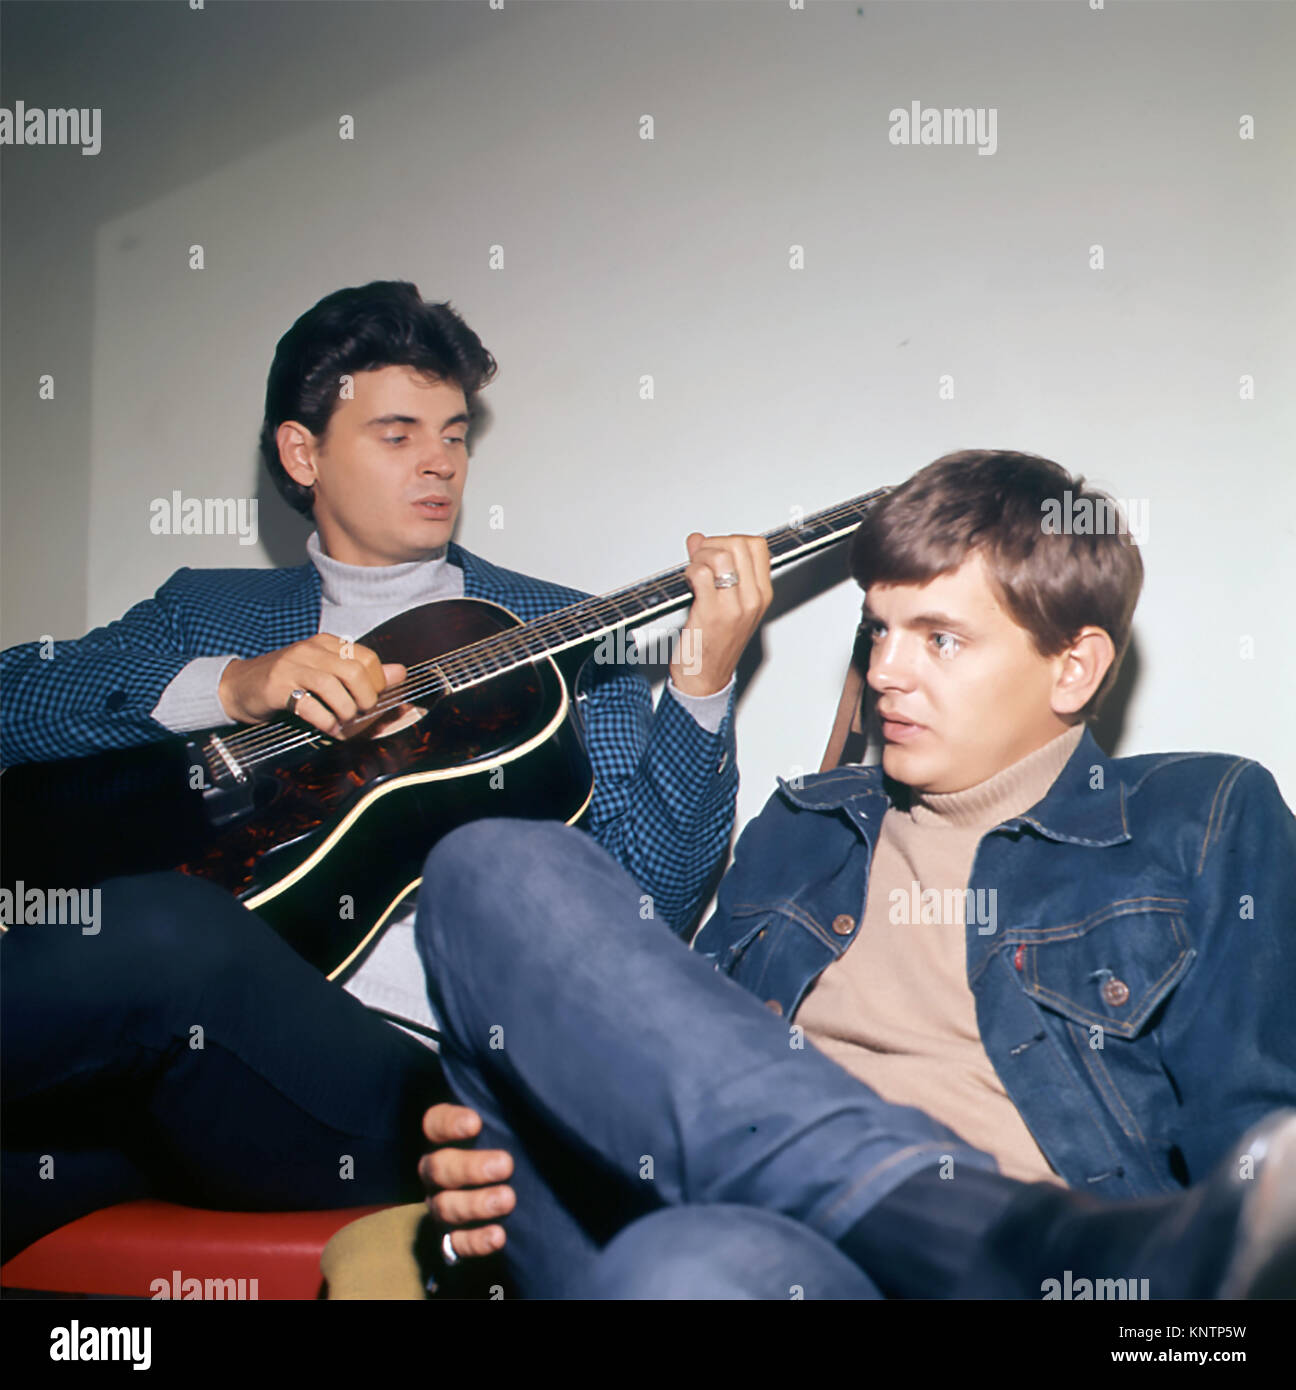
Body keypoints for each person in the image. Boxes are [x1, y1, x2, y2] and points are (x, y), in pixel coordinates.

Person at [0, 281, 772, 1259]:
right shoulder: (209, 614)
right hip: (174, 1081)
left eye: (453, 434)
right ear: (302, 452)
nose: (440, 463)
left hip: (401, 1095)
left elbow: (650, 902)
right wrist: (234, 687)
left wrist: (701, 684)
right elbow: (12, 702)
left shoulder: (556, 634)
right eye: (398, 433)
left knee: (170, 924)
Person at [412, 449, 1296, 1298]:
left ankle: (1006, 1244)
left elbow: (1259, 1175)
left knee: (685, 1271)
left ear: (1075, 667)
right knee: (489, 862)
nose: (884, 672)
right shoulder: (802, 828)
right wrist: (488, 1171)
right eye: (879, 630)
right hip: (733, 1238)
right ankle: (960, 1230)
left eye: (939, 639)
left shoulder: (1199, 816)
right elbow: (681, 1082)